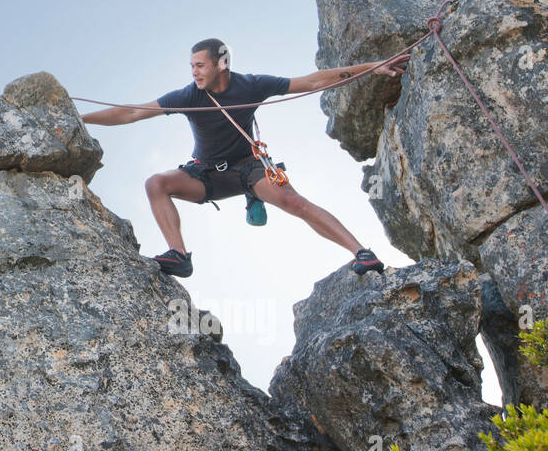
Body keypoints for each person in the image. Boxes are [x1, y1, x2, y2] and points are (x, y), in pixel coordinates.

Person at [80, 38, 410, 279]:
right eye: (191, 66)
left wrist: (372, 67)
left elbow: (310, 81)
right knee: (156, 184)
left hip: (248, 169)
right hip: (205, 173)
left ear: (221, 63)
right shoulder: (188, 95)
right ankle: (179, 256)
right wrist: (82, 119)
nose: (194, 72)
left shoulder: (251, 85)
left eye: (200, 65)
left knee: (292, 201)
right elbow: (133, 112)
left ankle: (361, 253)